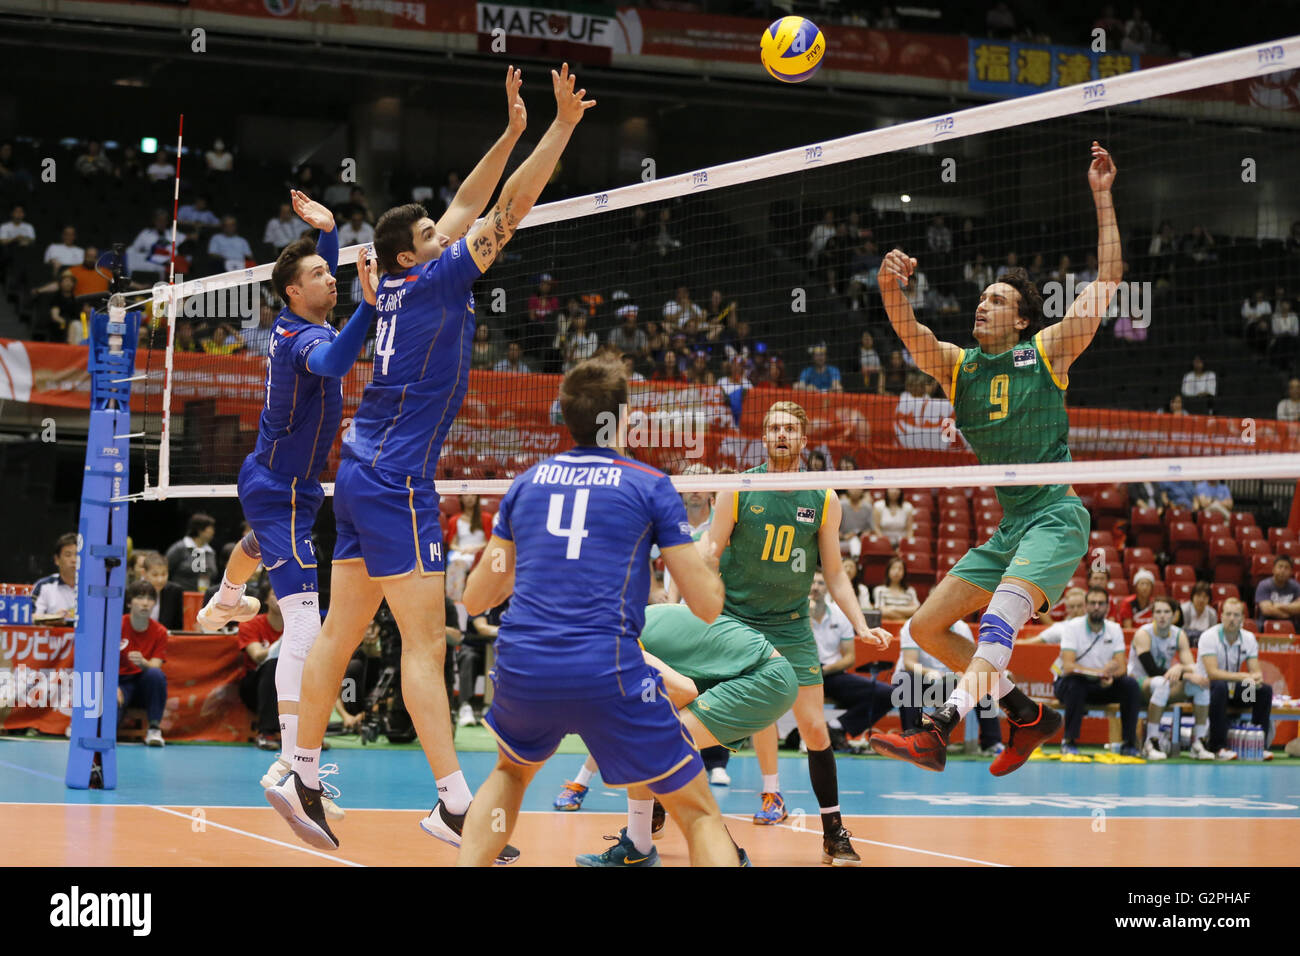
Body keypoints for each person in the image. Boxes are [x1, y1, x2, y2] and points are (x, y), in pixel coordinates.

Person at [268, 64, 587, 861]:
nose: (448, 235)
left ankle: (299, 769)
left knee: (343, 630)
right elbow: (509, 207)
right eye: (434, 238)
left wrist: (511, 131)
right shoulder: (441, 280)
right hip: (400, 479)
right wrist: (561, 129)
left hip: (361, 471)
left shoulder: (406, 282)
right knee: (426, 644)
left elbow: (470, 204)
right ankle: (451, 804)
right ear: (416, 257)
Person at [868, 142, 1119, 776]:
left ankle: (937, 728)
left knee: (997, 624)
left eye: (998, 300)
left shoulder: (1050, 351)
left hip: (1056, 520)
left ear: (1024, 318)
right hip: (1010, 528)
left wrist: (1102, 197)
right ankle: (1030, 716)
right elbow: (912, 336)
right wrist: (888, 289)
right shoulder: (960, 368)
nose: (983, 305)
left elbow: (1108, 282)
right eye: (981, 298)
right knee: (924, 628)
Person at [455, 355, 742, 868]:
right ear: (625, 418)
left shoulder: (526, 484)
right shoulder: (650, 485)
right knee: (698, 813)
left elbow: (475, 599)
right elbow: (705, 605)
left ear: (567, 418)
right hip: (606, 669)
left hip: (525, 667)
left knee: (510, 772)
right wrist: (709, 556)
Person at [196, 191, 370, 823]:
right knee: (304, 626)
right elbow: (335, 357)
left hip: (282, 486)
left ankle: (224, 598)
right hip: (279, 490)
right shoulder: (304, 341)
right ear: (295, 294)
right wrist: (371, 309)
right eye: (322, 274)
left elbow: (319, 285)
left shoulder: (300, 315)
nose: (334, 276)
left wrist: (327, 232)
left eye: (333, 271)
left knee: (261, 551)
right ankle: (296, 768)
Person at [700, 399, 892, 865]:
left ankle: (833, 833)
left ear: (804, 439)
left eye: (789, 428)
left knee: (814, 728)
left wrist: (861, 623)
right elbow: (710, 548)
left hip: (789, 626)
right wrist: (693, 569)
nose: (780, 434)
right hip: (734, 623)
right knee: (696, 716)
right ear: (764, 438)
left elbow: (836, 573)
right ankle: (660, 806)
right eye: (772, 428)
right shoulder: (740, 488)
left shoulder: (823, 498)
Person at [893, 618, 1003, 756]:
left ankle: (992, 742)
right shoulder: (913, 625)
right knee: (907, 680)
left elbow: (969, 662)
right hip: (920, 678)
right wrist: (931, 673)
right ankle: (913, 740)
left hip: (950, 680)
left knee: (978, 682)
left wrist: (960, 676)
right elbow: (909, 662)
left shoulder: (962, 628)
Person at [811, 571, 895, 752]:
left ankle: (836, 726)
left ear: (828, 588)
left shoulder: (839, 615)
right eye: (812, 583)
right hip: (801, 675)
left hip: (830, 673)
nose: (815, 587)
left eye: (820, 583)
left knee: (888, 694)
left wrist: (824, 671)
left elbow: (850, 657)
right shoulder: (794, 613)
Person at [1053, 588, 1142, 756]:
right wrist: (1100, 672)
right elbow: (1069, 666)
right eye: (1092, 603)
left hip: (1102, 684)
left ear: (1108, 607)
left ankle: (1129, 743)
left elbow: (1122, 667)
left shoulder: (1114, 629)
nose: (1096, 607)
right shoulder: (1072, 628)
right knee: (1075, 685)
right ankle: (1069, 741)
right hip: (1071, 684)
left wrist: (1109, 676)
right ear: (1086, 606)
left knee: (1130, 685)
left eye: (1101, 603)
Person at [1128, 596, 1214, 761]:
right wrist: (1185, 674)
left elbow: (1192, 666)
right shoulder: (1143, 634)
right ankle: (1151, 742)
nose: (1162, 616)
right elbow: (1151, 670)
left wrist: (1181, 668)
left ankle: (1198, 742)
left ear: (1174, 615)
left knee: (1200, 685)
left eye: (1166, 612)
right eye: (1158, 612)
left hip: (1165, 686)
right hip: (1139, 684)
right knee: (1161, 683)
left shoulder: (1178, 634)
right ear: (1152, 615)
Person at [1198, 598, 1271, 761]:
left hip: (1236, 693)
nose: (1232, 619)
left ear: (1243, 619)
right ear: (1221, 616)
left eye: (1236, 615)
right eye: (1228, 614)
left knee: (1263, 691)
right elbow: (1212, 673)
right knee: (1220, 686)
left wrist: (1256, 678)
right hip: (1207, 692)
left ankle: (1259, 745)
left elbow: (1255, 670)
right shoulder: (1209, 636)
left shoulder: (1249, 638)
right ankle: (1218, 746)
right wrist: (1243, 677)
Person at [118, 580, 169, 747]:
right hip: (120, 684)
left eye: (150, 599)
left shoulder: (160, 631)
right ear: (129, 602)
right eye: (140, 598)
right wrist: (110, 686)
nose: (145, 603)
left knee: (155, 675)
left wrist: (143, 663)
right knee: (108, 728)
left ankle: (154, 729)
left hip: (142, 685)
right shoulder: (116, 625)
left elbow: (155, 666)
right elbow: (101, 661)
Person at [236, 585, 285, 750]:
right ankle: (266, 733)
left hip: (288, 686)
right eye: (275, 593)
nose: (281, 597)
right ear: (265, 599)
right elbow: (257, 656)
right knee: (273, 664)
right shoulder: (251, 624)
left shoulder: (299, 627)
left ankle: (308, 737)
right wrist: (281, 643)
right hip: (255, 687)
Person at [456, 597, 505, 727]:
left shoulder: (513, 604)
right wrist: (508, 631)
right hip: (475, 649)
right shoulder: (481, 600)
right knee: (468, 657)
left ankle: (494, 707)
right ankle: (466, 706)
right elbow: (482, 628)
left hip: (498, 651)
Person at [446, 494, 489, 602]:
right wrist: (461, 550)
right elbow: (452, 543)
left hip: (479, 552)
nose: (469, 498)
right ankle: (455, 601)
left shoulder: (486, 518)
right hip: (461, 553)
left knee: (458, 563)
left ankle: (455, 601)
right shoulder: (455, 520)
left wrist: (475, 548)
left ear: (477, 497)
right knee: (456, 562)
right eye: (466, 495)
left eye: (473, 495)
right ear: (460, 498)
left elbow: (490, 541)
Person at [32, 532, 79, 624]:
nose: (74, 560)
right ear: (57, 560)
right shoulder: (43, 586)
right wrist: (53, 618)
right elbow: (31, 618)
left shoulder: (91, 588)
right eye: (68, 555)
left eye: (78, 555)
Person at [1017, 587, 1086, 643]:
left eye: (1079, 606)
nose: (1076, 610)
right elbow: (1028, 643)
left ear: (1086, 606)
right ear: (1067, 609)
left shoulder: (1094, 625)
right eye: (1071, 607)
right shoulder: (1060, 628)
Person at [1255, 555, 1300, 631]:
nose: (1283, 570)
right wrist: (1288, 612)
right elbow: (1267, 610)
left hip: (1291, 625)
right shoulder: (1264, 585)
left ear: (1291, 572)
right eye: (1280, 567)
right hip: (1266, 623)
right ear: (1273, 569)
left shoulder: (1296, 586)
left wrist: (1278, 606)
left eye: (1286, 568)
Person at [141, 551, 184, 631]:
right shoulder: (133, 591)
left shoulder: (174, 591)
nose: (160, 580)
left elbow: (177, 627)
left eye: (164, 574)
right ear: (144, 573)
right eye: (155, 575)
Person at [873, 556, 920, 621]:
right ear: (888, 571)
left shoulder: (910, 591)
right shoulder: (880, 590)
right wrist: (906, 615)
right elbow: (882, 611)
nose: (896, 571)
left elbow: (916, 610)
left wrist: (893, 609)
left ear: (904, 572)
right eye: (893, 568)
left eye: (900, 569)